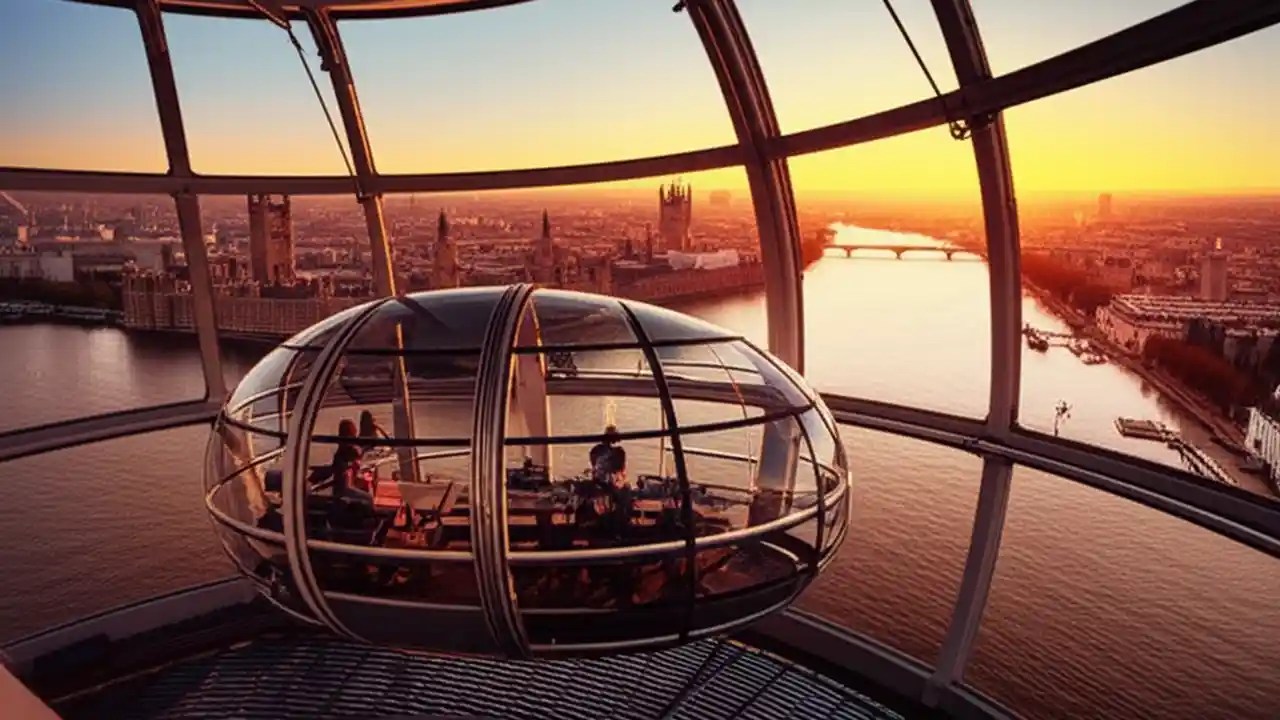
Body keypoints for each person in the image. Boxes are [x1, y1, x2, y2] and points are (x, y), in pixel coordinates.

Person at [331, 419, 372, 504]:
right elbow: (358, 453)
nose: (355, 435)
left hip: (349, 486)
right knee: (368, 498)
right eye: (352, 433)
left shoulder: (348, 449)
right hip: (344, 490)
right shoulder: (345, 451)